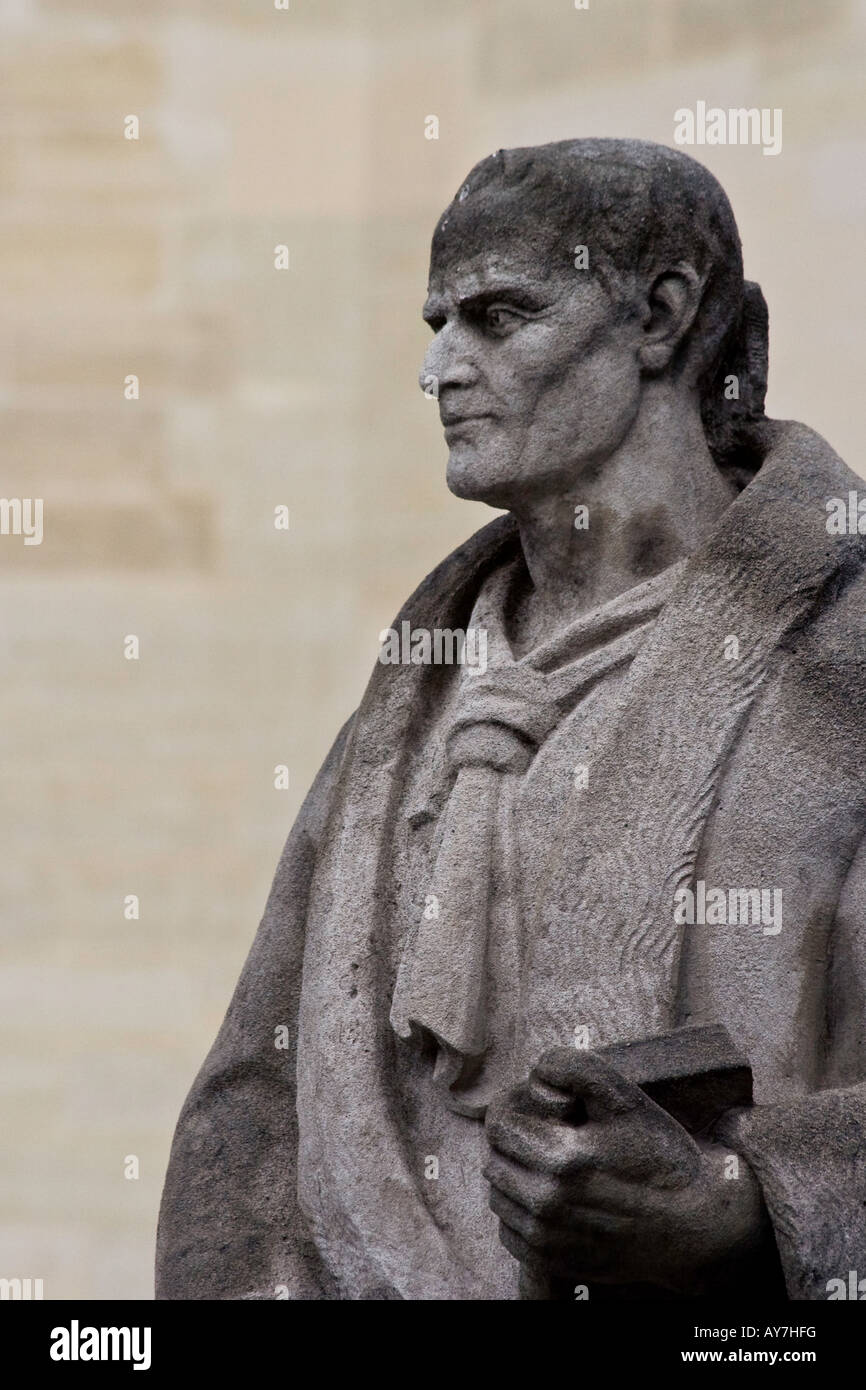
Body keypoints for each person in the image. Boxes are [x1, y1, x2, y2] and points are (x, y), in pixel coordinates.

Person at [156, 139, 866, 1300]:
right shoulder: (413, 704)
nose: (440, 366)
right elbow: (250, 1113)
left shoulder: (835, 666)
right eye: (435, 325)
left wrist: (740, 1201)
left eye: (497, 316)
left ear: (661, 316)